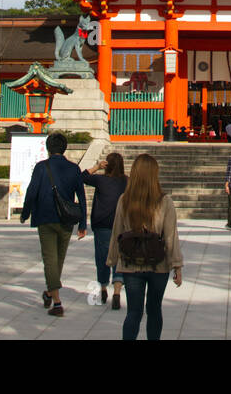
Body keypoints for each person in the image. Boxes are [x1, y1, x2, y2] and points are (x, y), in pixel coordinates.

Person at [106, 153, 183, 340]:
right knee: (154, 309)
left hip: (131, 263)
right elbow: (171, 235)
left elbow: (117, 231)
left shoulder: (124, 200)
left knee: (133, 311)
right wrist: (177, 265)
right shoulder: (164, 201)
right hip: (159, 263)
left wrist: (112, 259)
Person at [21, 131, 88, 317]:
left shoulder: (42, 167)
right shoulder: (74, 168)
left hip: (45, 217)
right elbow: (81, 198)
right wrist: (83, 223)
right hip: (66, 219)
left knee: (50, 259)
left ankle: (56, 301)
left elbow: (32, 192)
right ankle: (51, 293)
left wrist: (25, 213)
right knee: (58, 259)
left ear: (48, 147)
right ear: (64, 147)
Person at [82, 152, 127, 310]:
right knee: (119, 258)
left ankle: (102, 288)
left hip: (102, 225)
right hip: (121, 225)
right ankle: (117, 292)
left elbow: (82, 177)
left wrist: (97, 166)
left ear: (107, 165)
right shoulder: (126, 181)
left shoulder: (100, 180)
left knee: (102, 258)